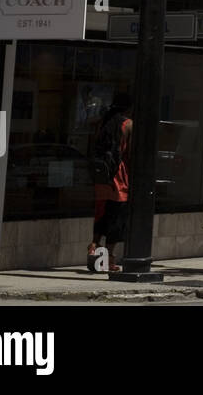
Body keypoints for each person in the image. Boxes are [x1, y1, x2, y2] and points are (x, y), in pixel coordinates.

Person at [87, 93, 132, 272]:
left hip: (101, 175)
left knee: (101, 213)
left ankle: (93, 246)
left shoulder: (102, 122)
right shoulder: (128, 124)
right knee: (116, 218)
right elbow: (130, 154)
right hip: (118, 177)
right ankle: (109, 259)